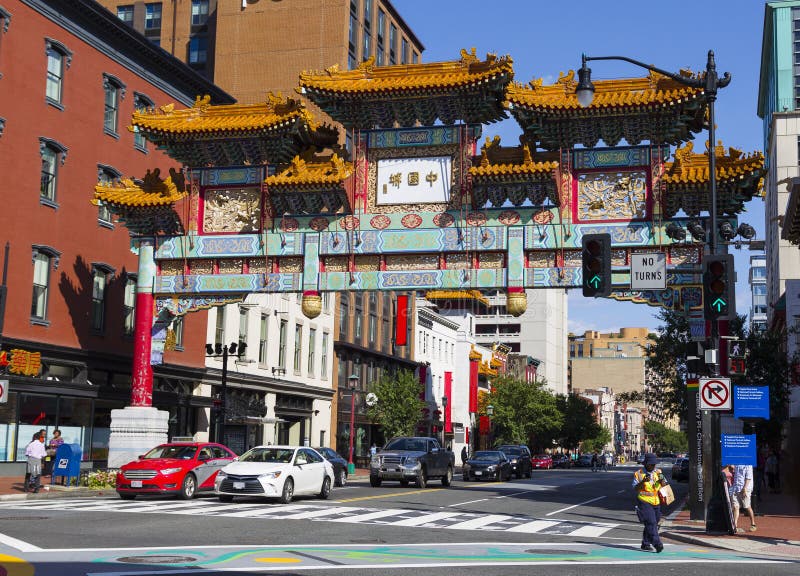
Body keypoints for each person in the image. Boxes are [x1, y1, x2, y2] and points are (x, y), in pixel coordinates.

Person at [632, 453, 667, 553]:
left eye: (654, 464)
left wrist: (661, 480)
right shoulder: (639, 473)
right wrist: (643, 482)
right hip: (644, 501)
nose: (653, 466)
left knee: (653, 523)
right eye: (651, 464)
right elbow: (635, 488)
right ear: (646, 464)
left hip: (656, 501)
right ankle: (657, 543)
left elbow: (664, 484)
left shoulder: (658, 472)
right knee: (651, 522)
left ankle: (645, 543)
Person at [731, 464, 756, 533]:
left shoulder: (748, 465)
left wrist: (745, 488)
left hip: (745, 489)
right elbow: (734, 471)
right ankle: (735, 526)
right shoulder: (737, 463)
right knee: (735, 507)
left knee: (747, 506)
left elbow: (748, 477)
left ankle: (753, 524)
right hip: (736, 488)